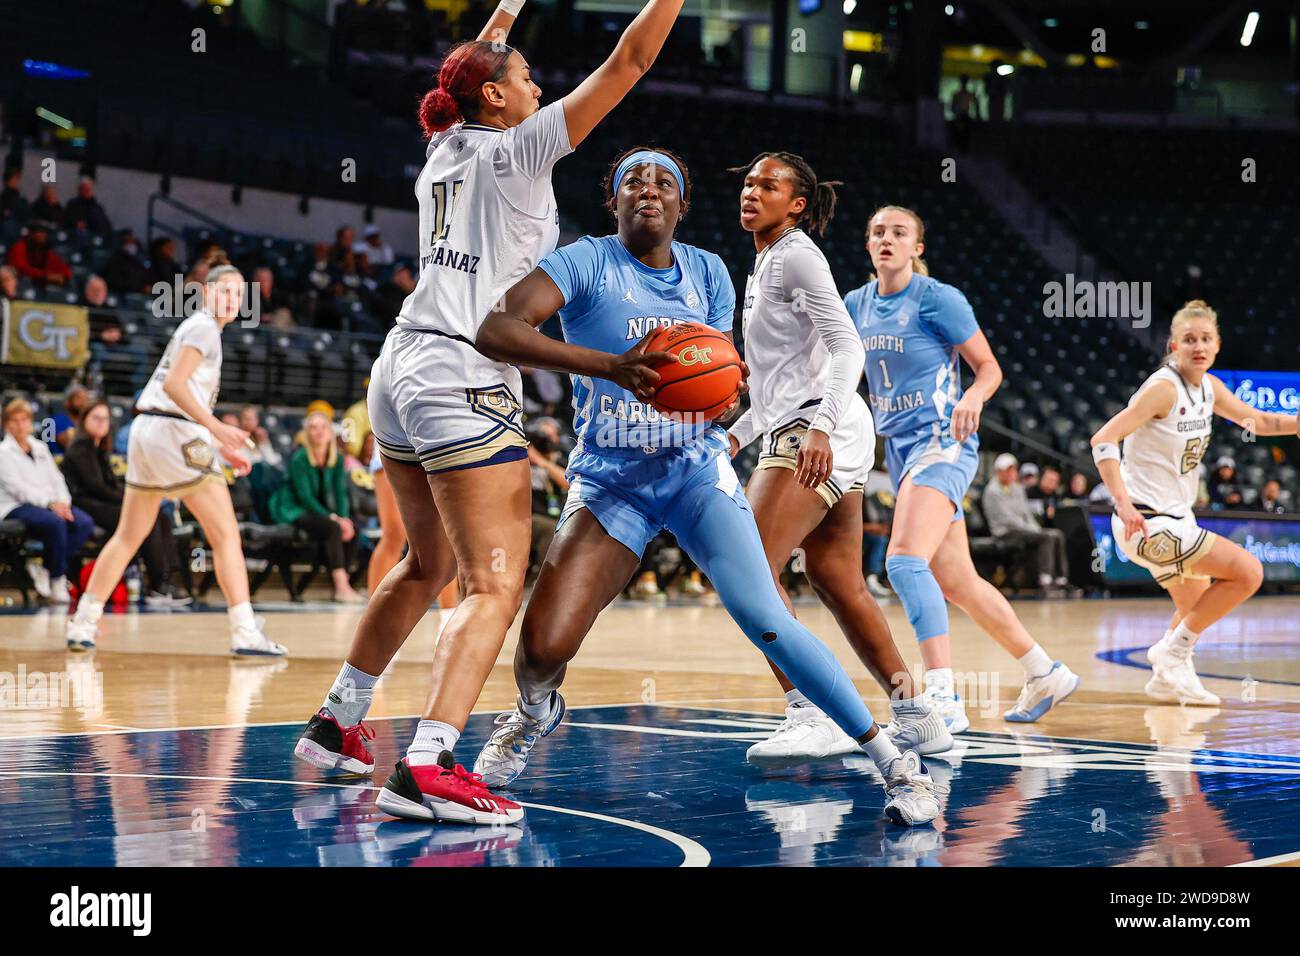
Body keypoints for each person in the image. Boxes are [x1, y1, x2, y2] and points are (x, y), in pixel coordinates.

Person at [293, 0, 700, 828]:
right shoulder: (518, 152)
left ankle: (339, 721)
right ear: (498, 101)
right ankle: (429, 765)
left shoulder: (443, 145)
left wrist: (507, 12)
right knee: (494, 582)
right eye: (524, 76)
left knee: (422, 564)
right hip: (463, 373)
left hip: (400, 365)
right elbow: (626, 63)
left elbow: (475, 60)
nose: (539, 81)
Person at [469, 146, 941, 826]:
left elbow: (711, 383)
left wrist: (726, 410)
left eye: (665, 180)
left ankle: (894, 761)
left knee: (766, 613)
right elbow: (497, 328)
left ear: (682, 205)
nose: (649, 188)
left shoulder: (712, 272)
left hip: (693, 470)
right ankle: (532, 712)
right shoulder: (583, 261)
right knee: (542, 646)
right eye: (633, 178)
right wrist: (610, 366)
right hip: (611, 481)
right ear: (615, 199)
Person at [723, 151, 948, 763]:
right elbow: (783, 382)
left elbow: (846, 350)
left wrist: (818, 428)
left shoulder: (796, 254)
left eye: (768, 185)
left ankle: (809, 711)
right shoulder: (766, 258)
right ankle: (915, 713)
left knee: (747, 569)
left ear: (797, 203)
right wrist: (739, 435)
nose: (751, 192)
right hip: (815, 425)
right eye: (747, 183)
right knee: (838, 580)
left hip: (818, 430)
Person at [845, 205, 1080, 730]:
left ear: (916, 248)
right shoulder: (854, 304)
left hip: (942, 441)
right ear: (867, 245)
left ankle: (943, 696)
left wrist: (973, 395)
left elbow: (989, 367)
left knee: (905, 563)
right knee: (957, 579)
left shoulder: (937, 299)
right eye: (878, 231)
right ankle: (1045, 671)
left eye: (899, 233)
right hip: (899, 450)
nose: (887, 239)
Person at [64, 255, 286, 656]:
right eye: (225, 290)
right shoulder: (204, 328)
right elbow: (174, 386)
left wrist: (219, 446)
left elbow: (179, 397)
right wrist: (218, 429)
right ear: (206, 293)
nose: (233, 298)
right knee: (226, 535)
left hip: (148, 431)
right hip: (172, 433)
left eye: (239, 292)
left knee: (129, 535)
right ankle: (245, 631)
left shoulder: (197, 328)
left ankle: (83, 621)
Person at [1091, 300, 1295, 705]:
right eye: (1189, 340)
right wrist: (1123, 503)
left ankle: (1167, 676)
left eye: (1205, 339)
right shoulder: (1163, 388)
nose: (1198, 346)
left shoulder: (1211, 388)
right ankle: (1171, 652)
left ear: (1217, 345)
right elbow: (1103, 439)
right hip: (1146, 523)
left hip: (1175, 520)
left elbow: (1262, 422)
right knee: (1248, 572)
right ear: (1173, 345)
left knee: (1193, 608)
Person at [60, 400, 190, 606]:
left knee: (161, 517)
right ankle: (157, 585)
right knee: (143, 520)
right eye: (96, 418)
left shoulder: (99, 448)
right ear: (84, 421)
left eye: (105, 419)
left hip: (101, 502)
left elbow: (109, 485)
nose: (102, 423)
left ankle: (167, 577)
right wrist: (130, 499)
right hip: (84, 504)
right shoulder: (80, 447)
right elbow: (95, 486)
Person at [0, 398, 95, 604]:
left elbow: (57, 479)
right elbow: (19, 490)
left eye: (24, 420)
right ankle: (57, 579)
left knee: (84, 523)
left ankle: (45, 568)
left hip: (53, 504)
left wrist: (63, 502)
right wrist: (52, 505)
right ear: (6, 424)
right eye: (14, 421)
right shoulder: (3, 453)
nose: (19, 425)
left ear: (30, 422)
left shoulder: (41, 447)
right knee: (55, 523)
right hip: (15, 506)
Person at [268, 411, 365, 604]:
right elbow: (305, 497)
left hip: (320, 510)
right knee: (332, 528)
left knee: (353, 529)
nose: (319, 431)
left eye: (323, 427)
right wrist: (334, 519)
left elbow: (340, 493)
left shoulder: (336, 458)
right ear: (307, 433)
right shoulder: (300, 458)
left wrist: (344, 518)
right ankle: (341, 588)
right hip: (294, 509)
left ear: (330, 431)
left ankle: (343, 584)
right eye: (313, 427)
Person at [981, 452, 1070, 589]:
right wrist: (1032, 530)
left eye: (1013, 469)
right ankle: (1045, 578)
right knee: (1046, 537)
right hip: (1004, 532)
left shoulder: (1017, 488)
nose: (1012, 473)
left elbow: (1026, 513)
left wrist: (1035, 528)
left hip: (1022, 530)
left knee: (1056, 534)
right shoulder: (992, 491)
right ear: (1000, 471)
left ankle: (1061, 578)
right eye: (1009, 470)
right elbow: (1008, 520)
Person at [6, 221, 71, 288]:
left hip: (37, 285)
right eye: (39, 232)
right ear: (31, 233)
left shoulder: (43, 250)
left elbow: (63, 268)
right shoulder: (19, 247)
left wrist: (62, 276)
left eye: (45, 232)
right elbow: (20, 268)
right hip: (19, 284)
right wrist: (45, 276)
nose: (43, 235)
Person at [48, 383, 90, 454]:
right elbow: (68, 444)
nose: (83, 402)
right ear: (67, 402)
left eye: (85, 399)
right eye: (78, 398)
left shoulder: (88, 422)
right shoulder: (53, 421)